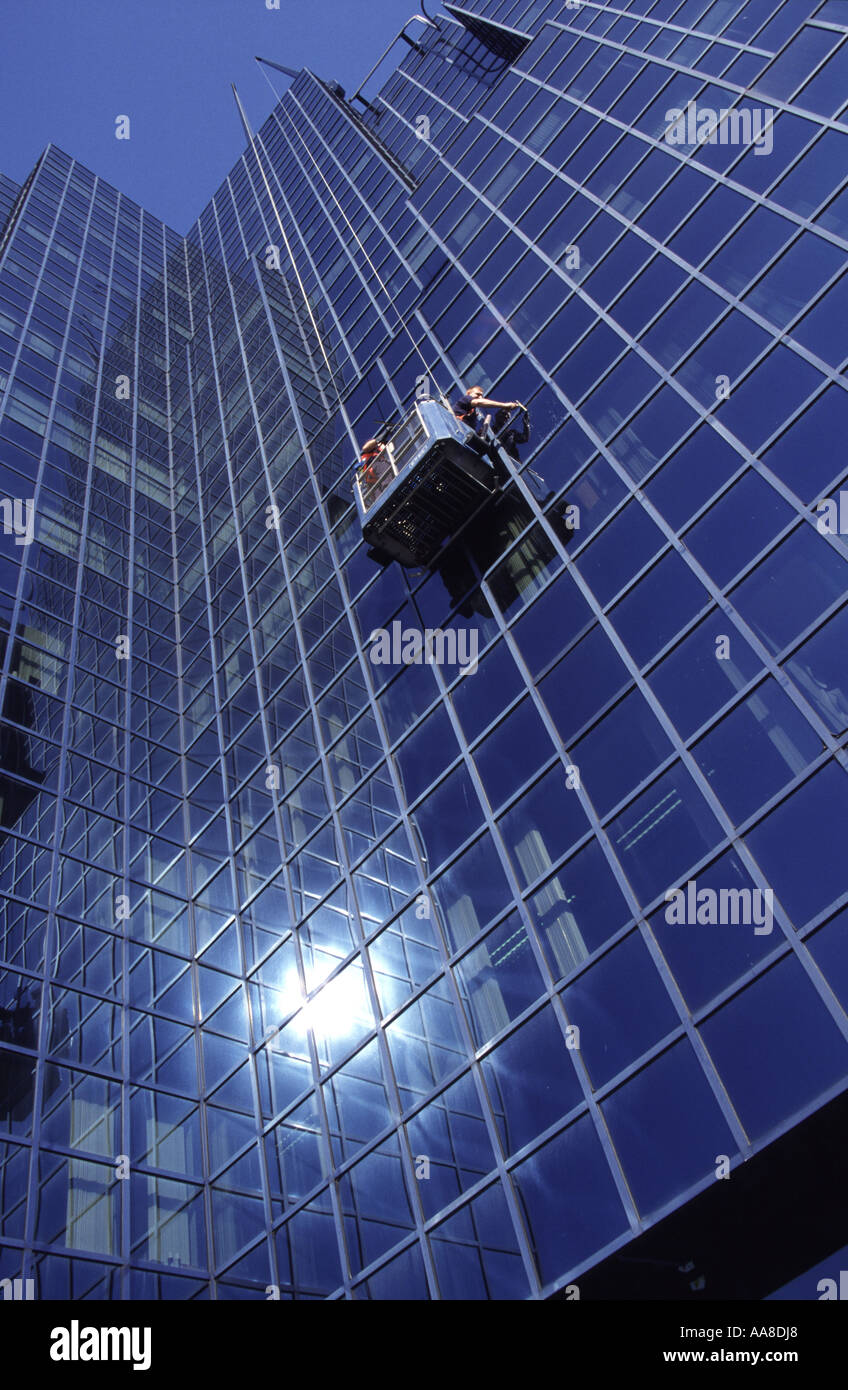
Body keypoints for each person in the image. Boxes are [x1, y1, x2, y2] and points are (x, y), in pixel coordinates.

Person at [453, 385, 520, 436]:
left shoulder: (473, 412)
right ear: (468, 393)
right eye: (477, 394)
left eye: (482, 396)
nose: (480, 397)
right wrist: (505, 405)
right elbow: (478, 402)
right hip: (455, 430)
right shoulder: (466, 399)